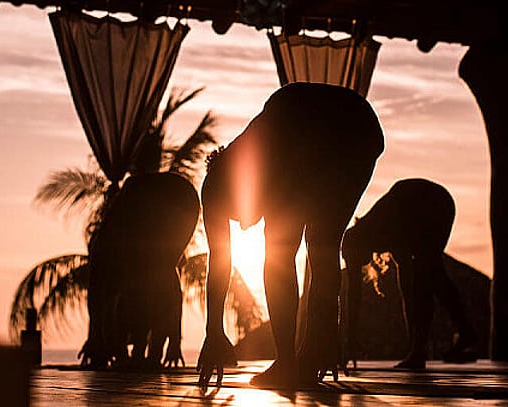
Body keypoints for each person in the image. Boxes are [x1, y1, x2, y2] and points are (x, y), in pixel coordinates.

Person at [197, 83, 384, 390]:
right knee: (322, 244)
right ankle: (310, 353)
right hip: (361, 128)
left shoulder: (262, 160)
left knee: (287, 252)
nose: (243, 226)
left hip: (333, 129)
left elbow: (259, 261)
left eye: (238, 215)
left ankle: (293, 359)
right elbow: (220, 260)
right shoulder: (223, 185)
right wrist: (214, 331)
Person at [340, 177, 481, 370]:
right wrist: (351, 338)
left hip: (428, 204)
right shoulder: (376, 231)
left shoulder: (381, 227)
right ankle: (464, 330)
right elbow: (357, 292)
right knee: (434, 274)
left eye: (353, 261)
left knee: (423, 277)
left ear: (358, 247)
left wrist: (351, 339)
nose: (354, 266)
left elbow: (402, 288)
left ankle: (419, 351)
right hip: (439, 201)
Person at [79, 171, 200, 370]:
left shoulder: (137, 256)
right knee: (152, 283)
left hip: (177, 199)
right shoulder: (114, 259)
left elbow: (171, 295)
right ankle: (138, 353)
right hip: (178, 198)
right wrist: (94, 338)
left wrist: (174, 343)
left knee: (155, 281)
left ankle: (143, 354)